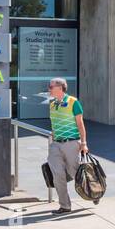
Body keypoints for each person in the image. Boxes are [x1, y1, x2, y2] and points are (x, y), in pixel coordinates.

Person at [46, 77, 88, 215]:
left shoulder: (73, 102)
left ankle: (92, 191)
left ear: (60, 87)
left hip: (71, 143)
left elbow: (80, 124)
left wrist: (83, 143)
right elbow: (54, 124)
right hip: (56, 144)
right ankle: (65, 205)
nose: (49, 89)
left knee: (75, 172)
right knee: (57, 174)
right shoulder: (52, 104)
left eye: (50, 86)